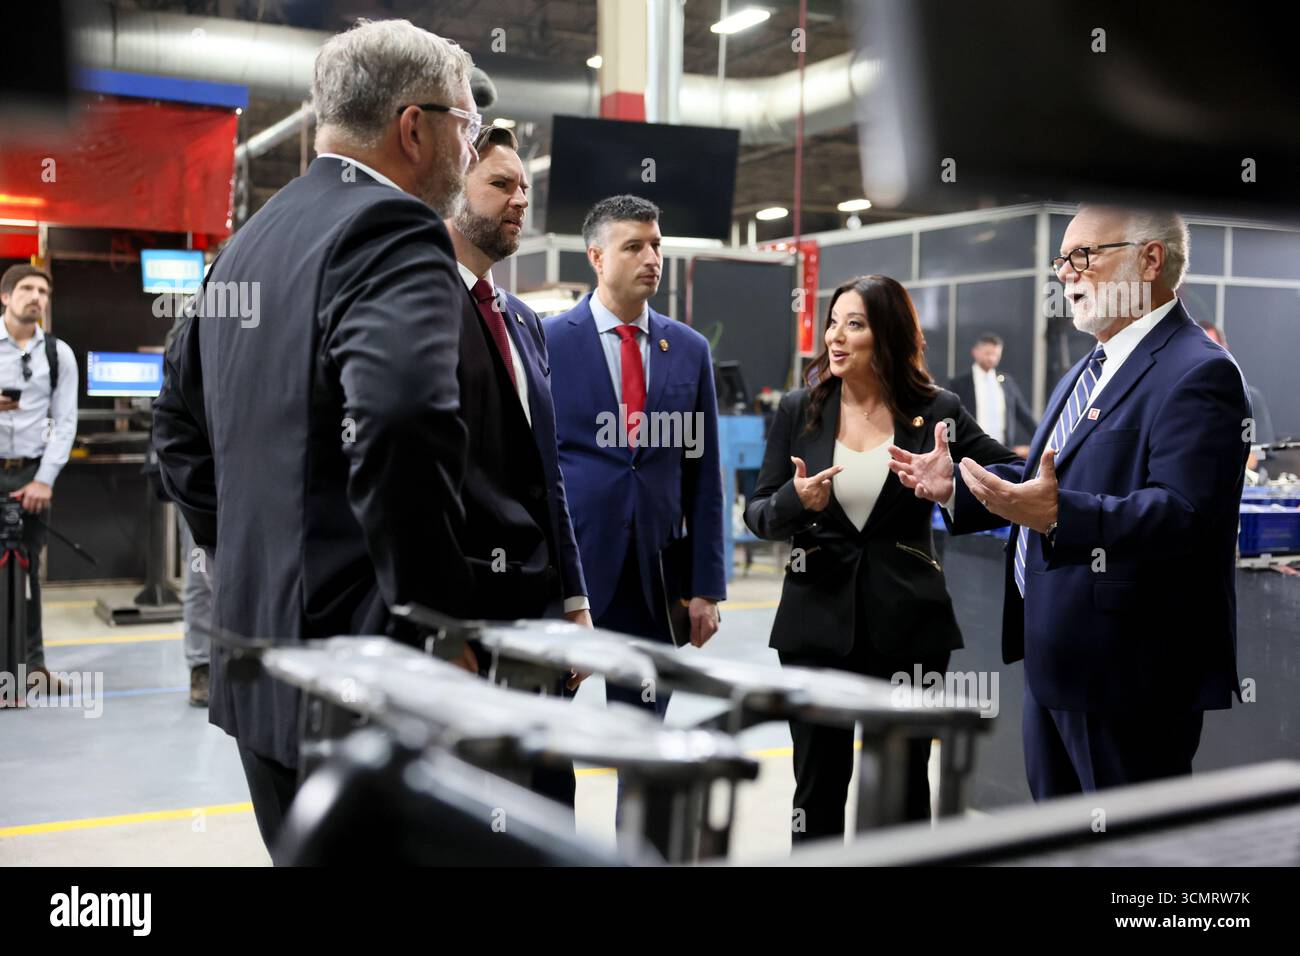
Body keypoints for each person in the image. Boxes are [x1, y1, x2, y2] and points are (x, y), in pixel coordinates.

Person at [153, 19, 479, 851]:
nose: (471, 153)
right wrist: (436, 626)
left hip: (257, 668)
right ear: (414, 127)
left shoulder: (244, 248)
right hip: (361, 680)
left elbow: (175, 431)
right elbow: (402, 420)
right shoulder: (393, 229)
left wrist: (249, 552)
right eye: (466, 127)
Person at [889, 206, 1249, 800]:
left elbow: (1185, 518)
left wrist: (1060, 515)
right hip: (1053, 660)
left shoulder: (1200, 372)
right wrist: (957, 484)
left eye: (1083, 256)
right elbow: (1044, 479)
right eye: (1062, 259)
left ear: (1149, 259)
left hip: (1130, 675)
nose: (1066, 273)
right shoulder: (1087, 368)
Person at [744, 274, 1017, 842]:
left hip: (909, 627)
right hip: (815, 629)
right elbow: (759, 512)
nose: (835, 338)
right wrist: (798, 500)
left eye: (855, 324)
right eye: (833, 322)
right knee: (817, 789)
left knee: (903, 789)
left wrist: (951, 489)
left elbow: (1009, 481)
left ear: (887, 335)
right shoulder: (800, 410)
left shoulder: (937, 410)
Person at [544, 195, 725, 855]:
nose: (652, 258)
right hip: (571, 582)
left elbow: (705, 476)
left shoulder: (689, 350)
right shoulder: (548, 343)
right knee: (547, 741)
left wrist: (706, 584)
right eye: (633, 246)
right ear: (596, 257)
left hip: (655, 581)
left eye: (656, 244)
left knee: (645, 747)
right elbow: (536, 468)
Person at [446, 123, 591, 809]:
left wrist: (575, 600)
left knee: (548, 800)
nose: (518, 201)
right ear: (454, 192)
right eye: (500, 184)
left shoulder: (524, 322)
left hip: (537, 608)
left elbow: (549, 473)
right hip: (465, 613)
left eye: (525, 188)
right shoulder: (424, 307)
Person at [0, 264, 78, 696]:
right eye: (27, 288)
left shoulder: (58, 353)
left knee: (28, 570)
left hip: (31, 474)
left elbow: (64, 423)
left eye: (43, 290)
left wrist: (44, 479)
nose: (37, 296)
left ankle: (33, 666)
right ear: (6, 297)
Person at [1197, 322, 1274, 471]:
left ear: (1225, 349)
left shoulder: (1248, 399)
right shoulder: (1179, 402)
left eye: (1213, 346)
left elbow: (1255, 455)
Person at [948, 332, 1036, 457]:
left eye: (995, 354)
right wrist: (949, 446)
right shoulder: (959, 384)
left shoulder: (1006, 382)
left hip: (1002, 450)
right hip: (969, 451)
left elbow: (1025, 416)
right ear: (975, 352)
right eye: (987, 353)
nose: (992, 358)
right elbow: (949, 417)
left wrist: (1041, 440)